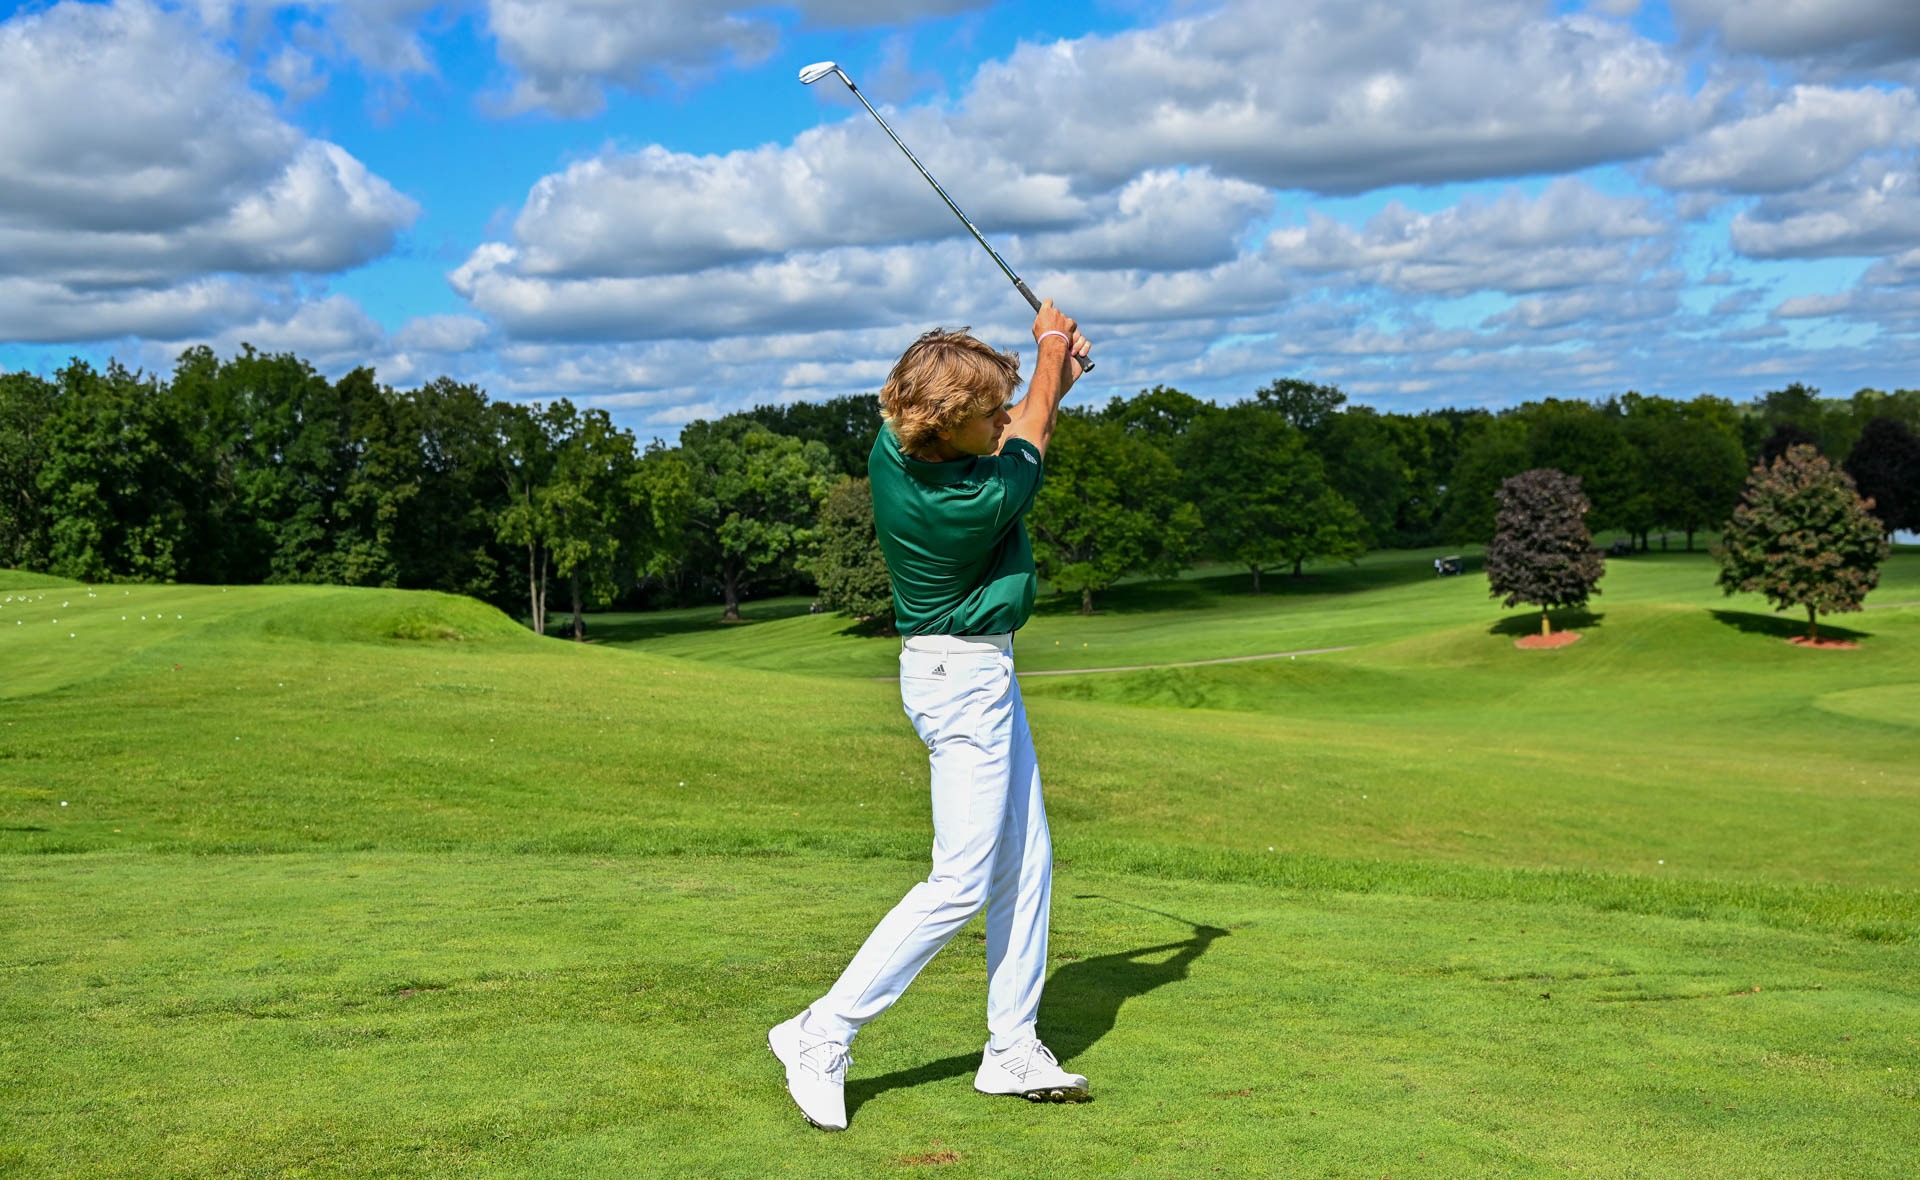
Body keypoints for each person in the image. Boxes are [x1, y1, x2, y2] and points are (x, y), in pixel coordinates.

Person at [768, 301, 1094, 1131]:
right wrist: (1051, 346)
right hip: (964, 682)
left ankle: (1010, 1047)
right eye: (987, 415)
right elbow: (1033, 431)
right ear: (945, 426)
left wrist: (1050, 374)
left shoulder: (892, 446)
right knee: (961, 881)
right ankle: (820, 1033)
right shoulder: (974, 501)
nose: (1000, 423)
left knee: (1027, 861)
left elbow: (1024, 418)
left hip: (969, 672)